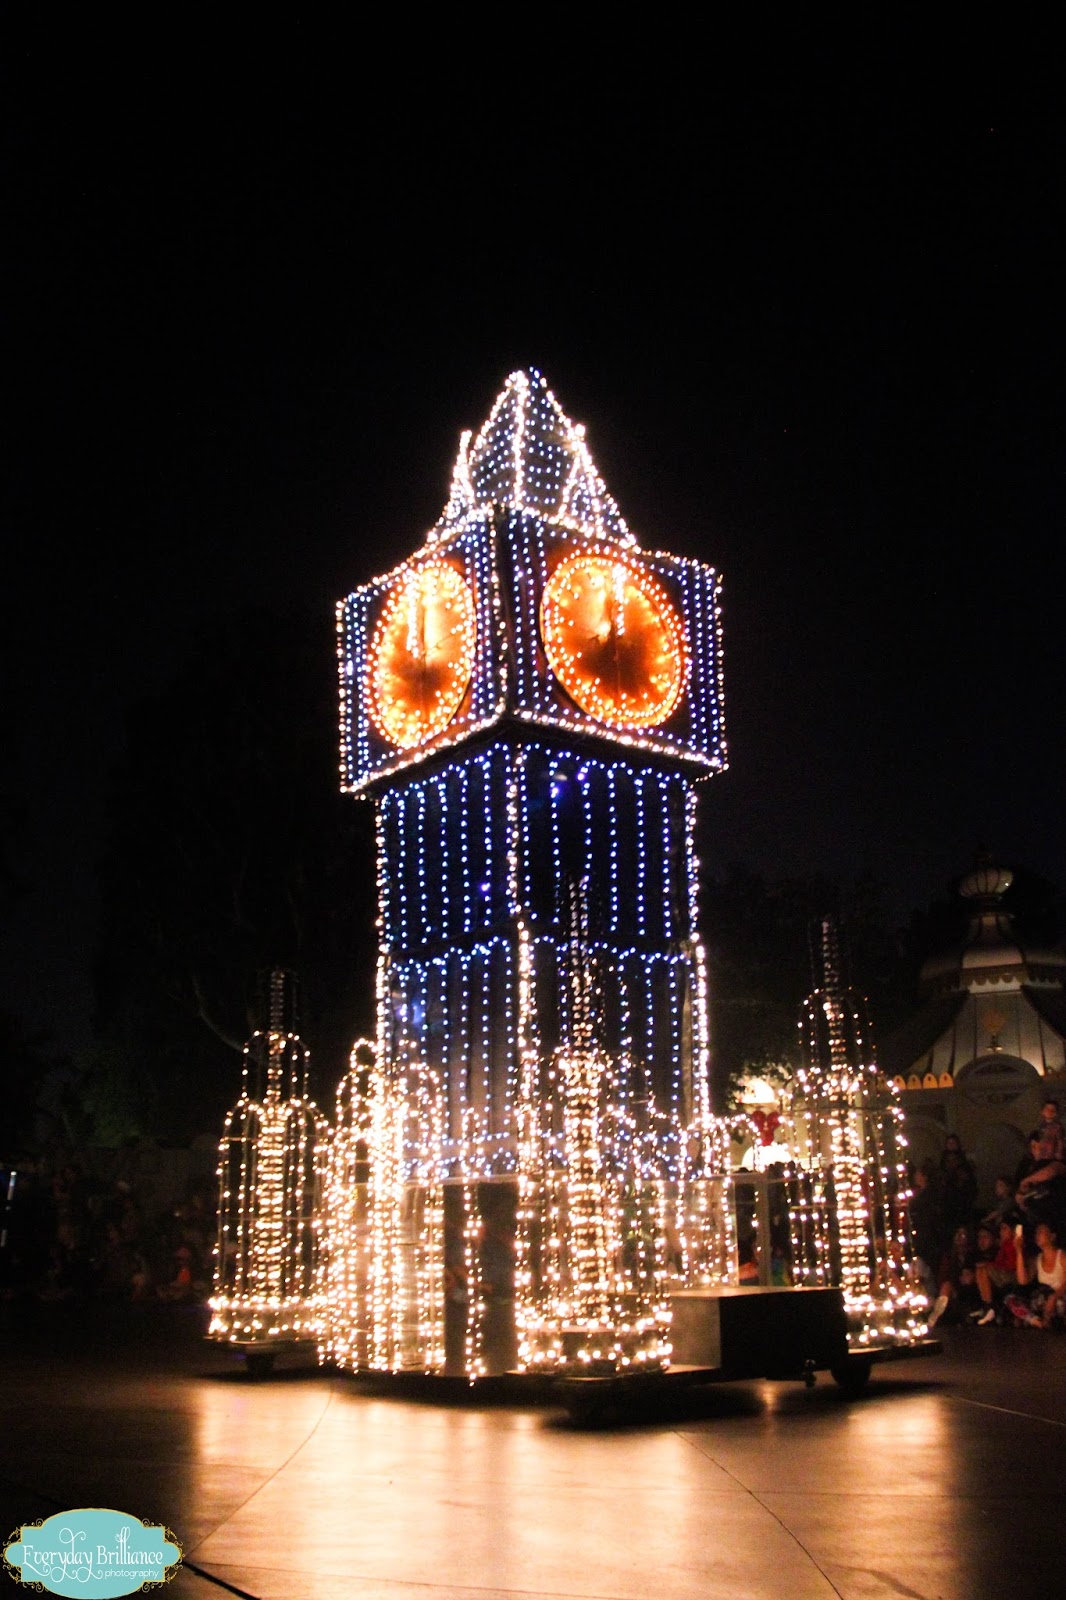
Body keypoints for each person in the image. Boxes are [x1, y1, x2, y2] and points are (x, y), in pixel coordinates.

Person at [1003, 1221, 1066, 1329]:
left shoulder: (1062, 1257)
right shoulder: (1037, 1259)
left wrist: (1054, 1297)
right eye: (1036, 1232)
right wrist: (1019, 1251)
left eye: (1041, 1231)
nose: (1037, 1235)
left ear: (1052, 1236)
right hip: (1043, 1301)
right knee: (1010, 1299)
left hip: (1060, 1299)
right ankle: (1037, 1322)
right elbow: (1022, 1280)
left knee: (1056, 1301)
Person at [972, 1219, 1018, 1324]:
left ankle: (990, 1307)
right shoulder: (1004, 1245)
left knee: (983, 1269)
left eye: (1004, 1229)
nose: (1001, 1232)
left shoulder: (1013, 1244)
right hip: (1003, 1274)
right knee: (981, 1269)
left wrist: (989, 1265)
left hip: (1011, 1276)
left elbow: (1011, 1265)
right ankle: (987, 1306)